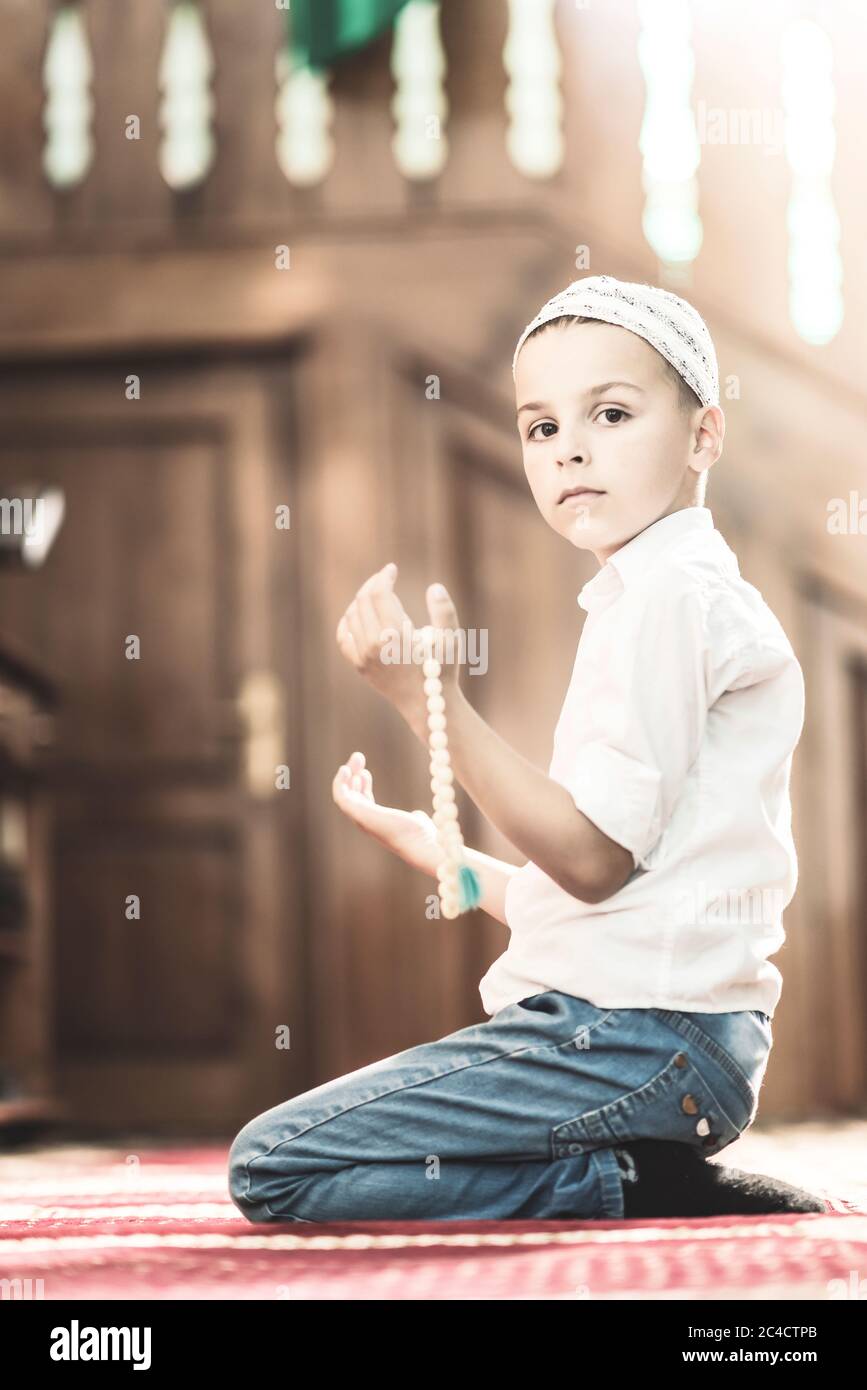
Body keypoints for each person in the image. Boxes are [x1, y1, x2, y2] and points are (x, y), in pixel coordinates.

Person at [228, 274, 825, 1222]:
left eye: (612, 413)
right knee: (290, 1168)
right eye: (541, 427)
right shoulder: (658, 595)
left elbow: (590, 863)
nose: (570, 449)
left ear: (703, 435)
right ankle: (635, 1173)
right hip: (658, 1038)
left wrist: (426, 703)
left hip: (639, 1039)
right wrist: (444, 853)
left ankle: (629, 1181)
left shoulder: (672, 600)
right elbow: (614, 903)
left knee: (273, 1166)